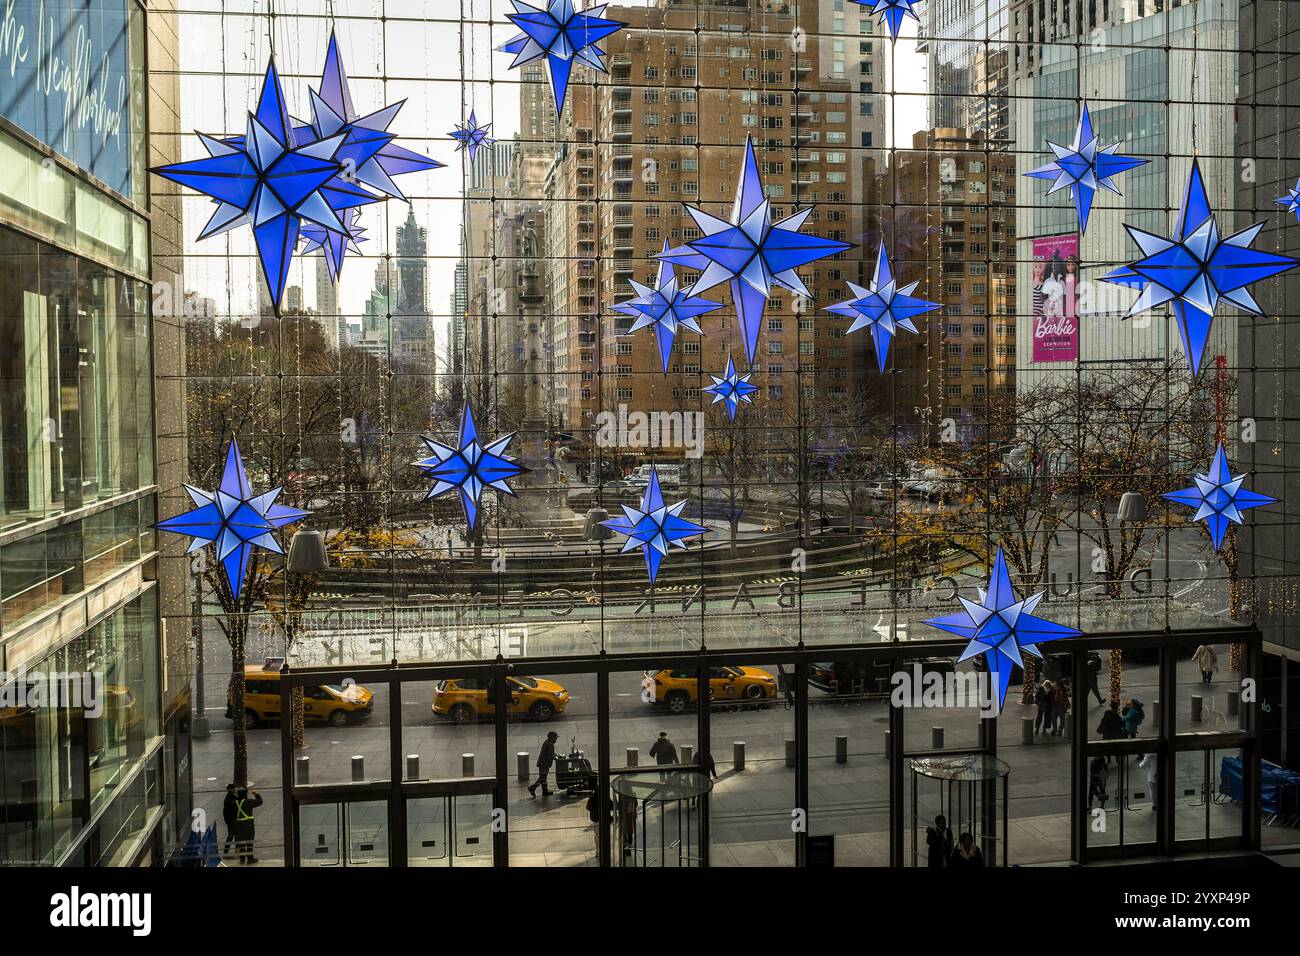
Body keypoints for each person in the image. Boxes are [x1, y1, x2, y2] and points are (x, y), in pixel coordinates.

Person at [231, 786, 263, 865]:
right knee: (249, 842)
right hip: (248, 825)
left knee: (241, 843)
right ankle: (250, 859)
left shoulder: (234, 803)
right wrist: (256, 794)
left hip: (238, 826)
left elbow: (232, 814)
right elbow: (260, 802)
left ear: (238, 794)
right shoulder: (248, 802)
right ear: (245, 794)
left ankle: (242, 859)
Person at [529, 731, 559, 797]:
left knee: (543, 778)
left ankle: (545, 791)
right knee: (542, 778)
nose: (556, 739)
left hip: (543, 763)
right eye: (555, 737)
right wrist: (556, 758)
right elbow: (550, 755)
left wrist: (555, 755)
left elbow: (551, 753)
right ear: (552, 737)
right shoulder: (550, 744)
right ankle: (532, 788)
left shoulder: (548, 742)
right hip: (544, 764)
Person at [221, 783, 238, 857]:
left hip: (231, 820)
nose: (235, 790)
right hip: (231, 821)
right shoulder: (229, 799)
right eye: (234, 789)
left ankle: (236, 850)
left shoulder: (231, 797)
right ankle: (226, 853)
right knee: (230, 836)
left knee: (233, 836)